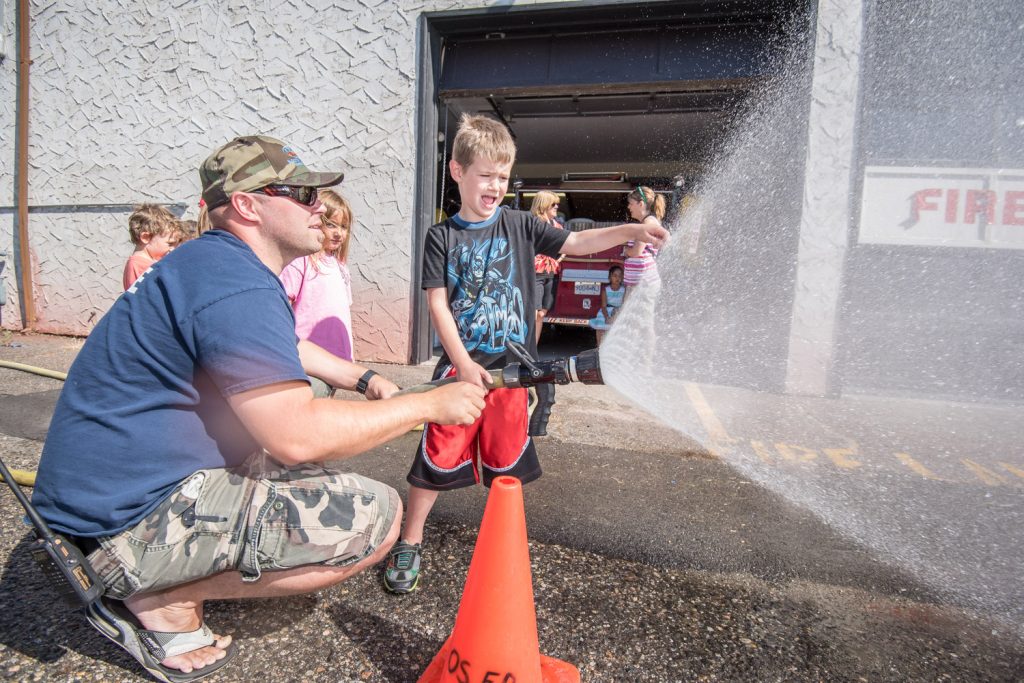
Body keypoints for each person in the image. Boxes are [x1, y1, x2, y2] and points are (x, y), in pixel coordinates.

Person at [32, 135, 486, 682]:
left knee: (312, 473)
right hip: (121, 521)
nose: (319, 208)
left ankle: (157, 566)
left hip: (105, 496)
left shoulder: (213, 265)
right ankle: (154, 593)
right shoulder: (233, 281)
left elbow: (283, 345)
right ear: (247, 205)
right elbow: (297, 434)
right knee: (375, 518)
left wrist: (362, 378)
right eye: (302, 194)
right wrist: (427, 404)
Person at [382, 114, 668, 594]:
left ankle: (504, 547)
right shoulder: (442, 237)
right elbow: (438, 304)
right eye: (485, 175)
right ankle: (411, 540)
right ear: (457, 171)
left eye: (503, 176)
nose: (495, 186)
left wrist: (628, 231)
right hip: (461, 371)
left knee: (506, 464)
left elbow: (576, 242)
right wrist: (463, 363)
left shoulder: (520, 224)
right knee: (436, 454)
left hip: (513, 373)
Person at [279, 189, 355, 396]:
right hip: (309, 361)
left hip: (336, 361)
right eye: (331, 225)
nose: (339, 233)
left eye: (344, 227)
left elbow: (342, 313)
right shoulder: (301, 261)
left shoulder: (340, 266)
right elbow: (281, 306)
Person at [529, 190, 564, 343]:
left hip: (551, 273)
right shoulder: (532, 223)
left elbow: (566, 246)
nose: (557, 206)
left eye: (557, 204)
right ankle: (527, 348)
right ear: (543, 205)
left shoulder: (557, 226)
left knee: (542, 314)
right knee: (533, 313)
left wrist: (559, 259)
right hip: (534, 273)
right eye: (553, 204)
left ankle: (533, 349)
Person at [620, 185, 664, 296]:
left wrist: (625, 250)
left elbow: (636, 252)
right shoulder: (646, 222)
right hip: (640, 285)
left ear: (640, 204)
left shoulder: (648, 223)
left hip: (644, 285)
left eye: (631, 203)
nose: (629, 207)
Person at [122, 203, 177, 290]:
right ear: (146, 237)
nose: (173, 248)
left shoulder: (139, 263)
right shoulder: (142, 266)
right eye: (170, 244)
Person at [589, 264, 626, 343]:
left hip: (618, 311)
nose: (617, 278)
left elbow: (623, 306)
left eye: (620, 276)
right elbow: (603, 306)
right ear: (610, 277)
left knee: (618, 326)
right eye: (615, 276)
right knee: (600, 325)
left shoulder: (624, 290)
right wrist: (606, 317)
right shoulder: (606, 290)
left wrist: (615, 316)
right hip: (606, 311)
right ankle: (599, 347)